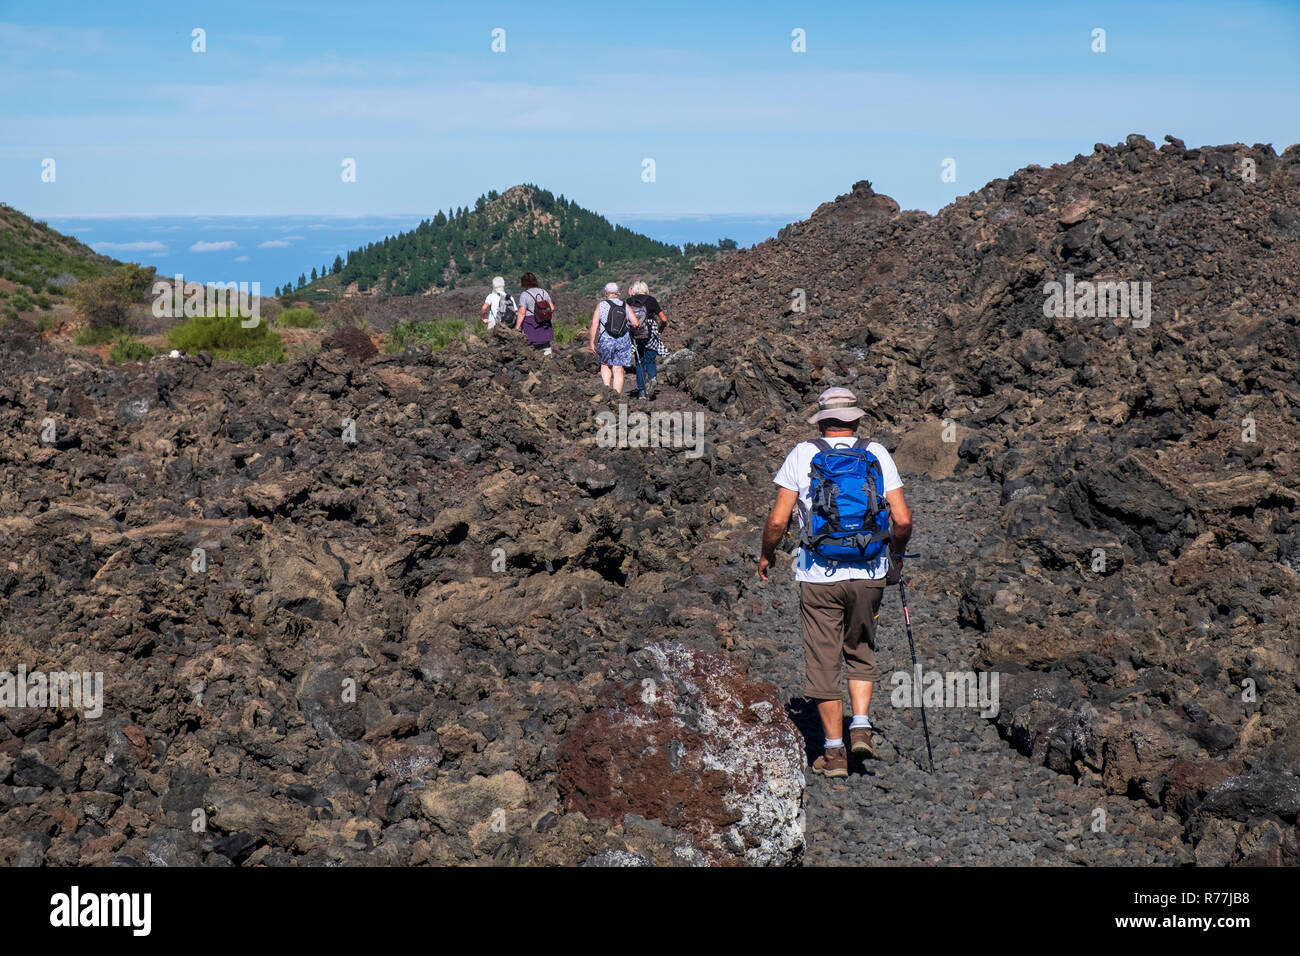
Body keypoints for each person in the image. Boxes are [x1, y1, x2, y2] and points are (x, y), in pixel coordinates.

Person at [758, 386, 913, 778]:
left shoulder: (803, 454)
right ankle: (860, 724)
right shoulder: (876, 454)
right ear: (856, 419)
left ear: (822, 421)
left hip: (818, 573)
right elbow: (903, 520)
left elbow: (778, 521)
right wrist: (895, 555)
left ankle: (833, 753)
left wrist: (767, 554)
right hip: (870, 570)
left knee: (823, 659)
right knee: (861, 647)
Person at [625, 280, 669, 399]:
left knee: (639, 362)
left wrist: (630, 297)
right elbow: (664, 319)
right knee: (650, 359)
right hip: (650, 330)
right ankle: (652, 378)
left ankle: (642, 392)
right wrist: (660, 330)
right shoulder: (651, 300)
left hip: (635, 333)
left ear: (633, 290)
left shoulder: (629, 301)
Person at [588, 281, 634, 394]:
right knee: (618, 369)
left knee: (605, 364)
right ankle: (616, 395)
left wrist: (592, 342)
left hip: (606, 340)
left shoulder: (601, 305)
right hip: (623, 340)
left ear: (606, 293)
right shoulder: (625, 305)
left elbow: (594, 324)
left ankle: (607, 389)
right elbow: (635, 322)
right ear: (618, 292)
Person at [517, 273, 555, 356]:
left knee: (531, 350)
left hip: (530, 324)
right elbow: (552, 308)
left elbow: (522, 313)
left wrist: (516, 328)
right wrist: (543, 315)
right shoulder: (543, 292)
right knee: (546, 347)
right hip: (545, 323)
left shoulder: (524, 295)